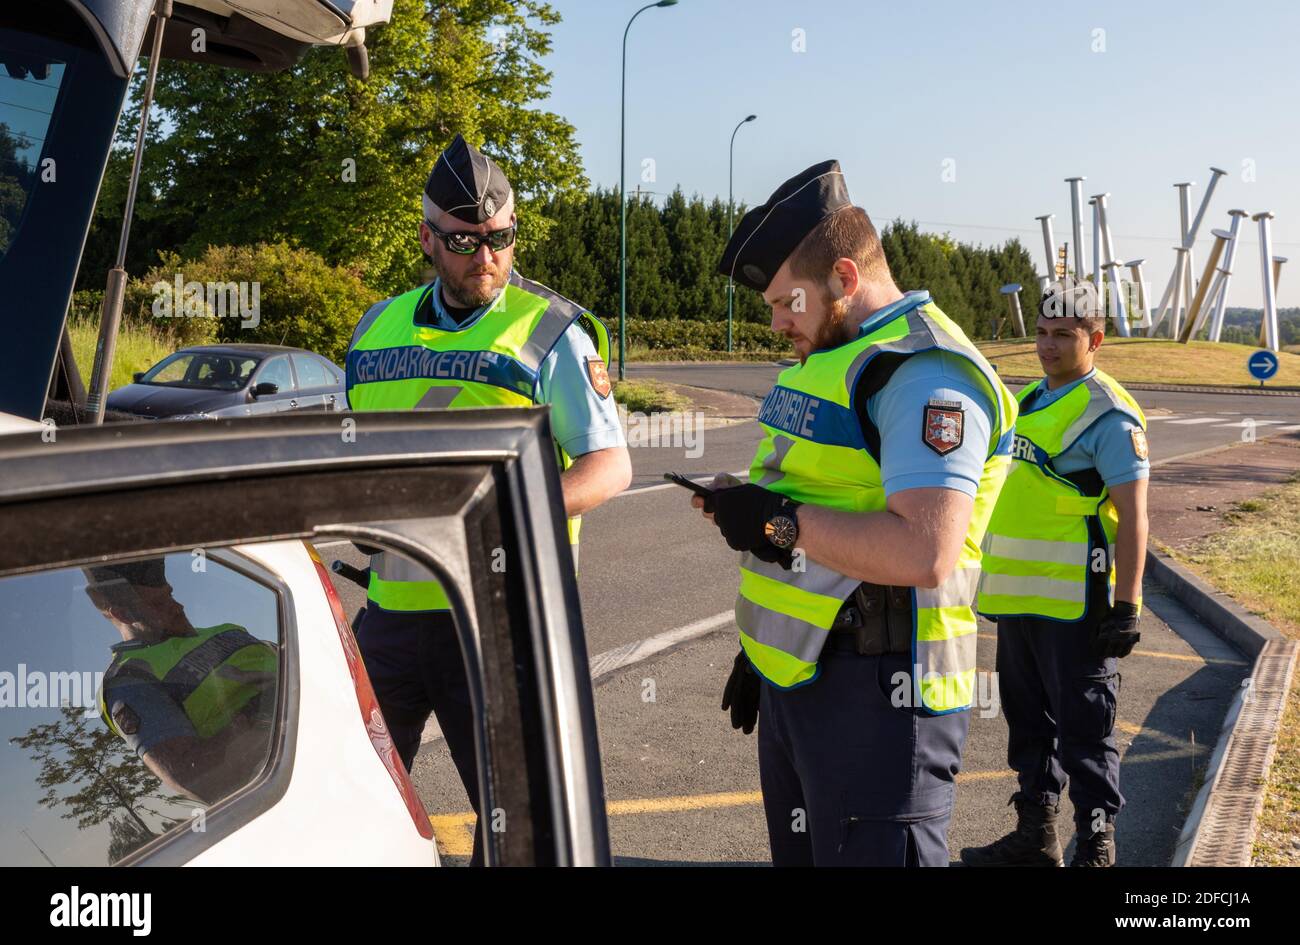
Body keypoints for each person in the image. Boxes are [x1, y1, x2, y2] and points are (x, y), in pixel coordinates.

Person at [694, 159, 1018, 866]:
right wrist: (746, 513)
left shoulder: (925, 374)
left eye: (789, 302)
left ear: (845, 277)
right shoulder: (843, 356)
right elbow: (818, 494)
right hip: (808, 680)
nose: (778, 323)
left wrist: (777, 523)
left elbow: (924, 553)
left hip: (882, 700)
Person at [345, 134, 631, 865]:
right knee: (351, 802)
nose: (487, 259)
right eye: (466, 242)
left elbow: (609, 468)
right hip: (390, 619)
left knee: (516, 831)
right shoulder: (375, 329)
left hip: (502, 626)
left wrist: (503, 512)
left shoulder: (551, 333)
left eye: (501, 239)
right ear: (427, 239)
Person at [966, 280, 1149, 868]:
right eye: (1041, 333)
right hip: (1019, 602)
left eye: (1063, 335)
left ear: (1095, 339)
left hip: (1077, 603)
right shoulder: (1031, 400)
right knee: (1028, 727)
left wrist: (1127, 606)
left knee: (1085, 733)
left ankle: (1096, 848)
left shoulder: (1109, 414)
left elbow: (1135, 516)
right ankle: (1035, 837)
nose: (1047, 346)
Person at [88, 559, 279, 805]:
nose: (177, 606)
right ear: (123, 613)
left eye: (170, 595)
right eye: (159, 603)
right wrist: (266, 710)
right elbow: (198, 778)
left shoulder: (226, 629)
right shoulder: (129, 680)